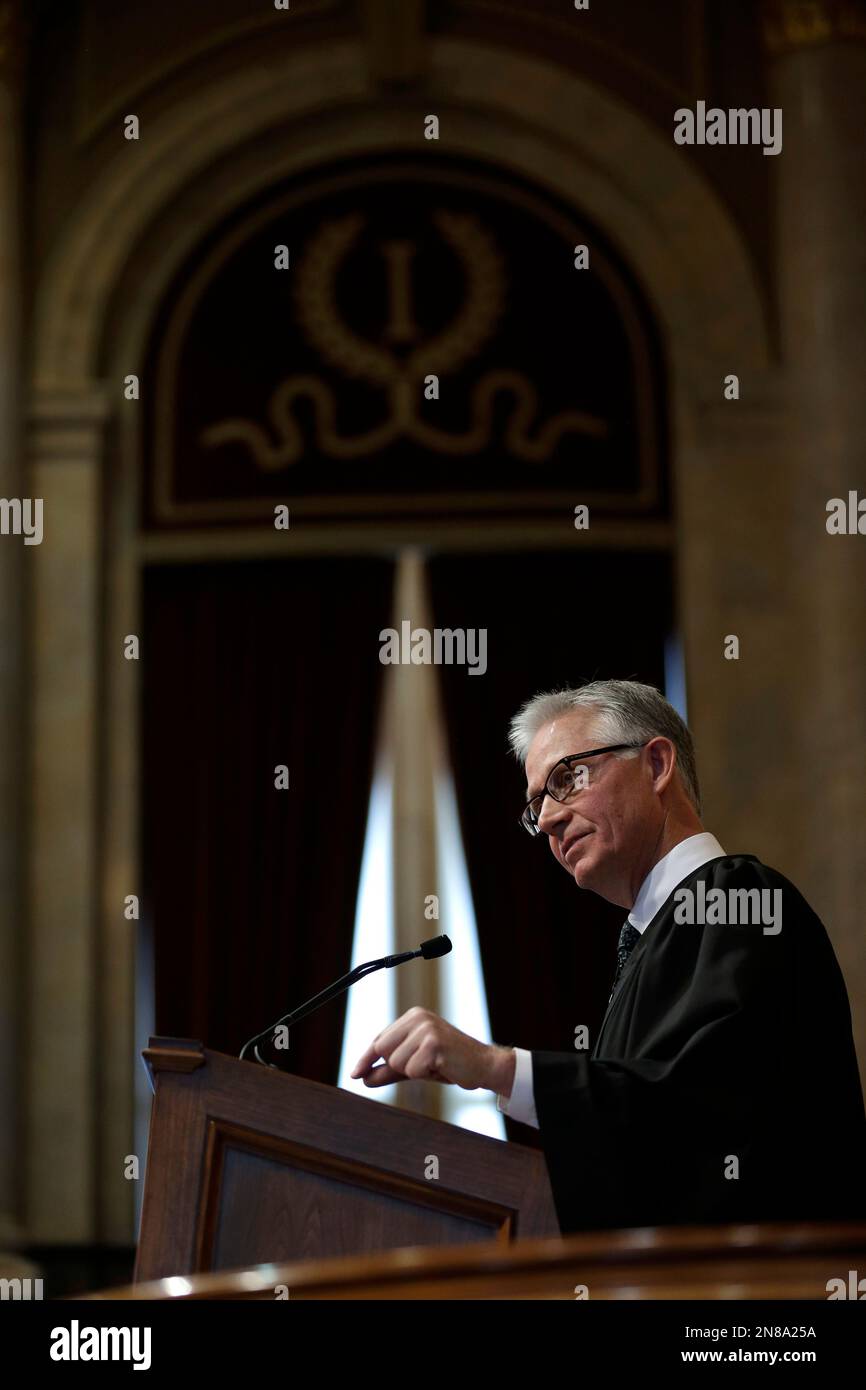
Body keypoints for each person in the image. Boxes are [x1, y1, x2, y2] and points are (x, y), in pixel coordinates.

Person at [352, 680, 866, 1231]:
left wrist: (494, 1068)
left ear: (657, 764)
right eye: (535, 805)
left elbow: (697, 1110)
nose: (547, 818)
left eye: (566, 779)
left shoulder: (735, 899)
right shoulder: (656, 935)